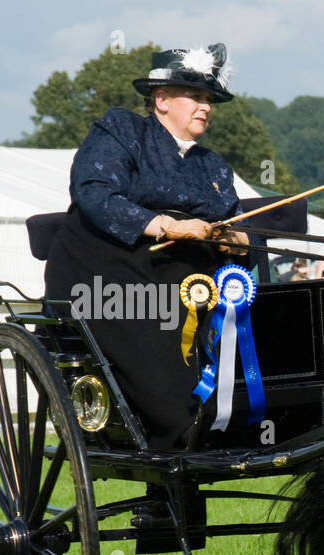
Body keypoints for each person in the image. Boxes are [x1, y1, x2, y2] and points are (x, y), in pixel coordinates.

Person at [44, 43, 248, 448]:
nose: (205, 106)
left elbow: (235, 218)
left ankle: (244, 414)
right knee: (163, 309)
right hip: (105, 274)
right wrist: (168, 226)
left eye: (209, 99)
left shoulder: (213, 166)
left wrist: (239, 240)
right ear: (161, 99)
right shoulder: (120, 132)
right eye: (195, 96)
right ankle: (176, 427)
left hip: (193, 279)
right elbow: (96, 195)